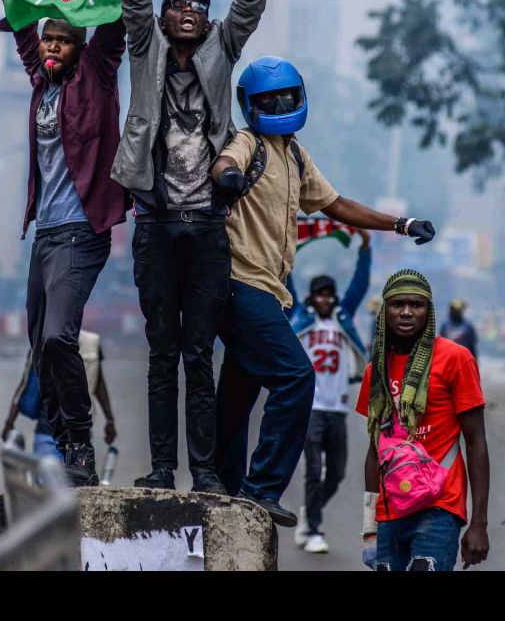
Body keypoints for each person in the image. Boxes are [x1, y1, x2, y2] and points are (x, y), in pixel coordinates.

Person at [210, 55, 437, 526]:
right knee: (296, 377)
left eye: (286, 97)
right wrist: (227, 176)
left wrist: (400, 223)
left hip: (268, 291)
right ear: (249, 105)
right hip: (240, 284)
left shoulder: (293, 154)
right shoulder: (249, 141)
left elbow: (335, 204)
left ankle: (224, 490)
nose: (278, 104)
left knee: (236, 397)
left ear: (299, 97)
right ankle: (261, 488)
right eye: (268, 99)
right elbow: (225, 160)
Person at [112, 0, 266, 494]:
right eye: (176, 5)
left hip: (206, 222)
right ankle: (161, 468)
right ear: (165, 15)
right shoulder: (143, 46)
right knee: (160, 351)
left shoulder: (222, 48)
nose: (184, 12)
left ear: (206, 21)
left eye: (196, 8)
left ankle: (203, 472)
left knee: (198, 353)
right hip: (153, 218)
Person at [0, 0, 140, 486]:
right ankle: (58, 445)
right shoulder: (39, 82)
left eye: (61, 40)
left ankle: (76, 444)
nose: (50, 45)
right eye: (45, 40)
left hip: (83, 233)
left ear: (80, 45)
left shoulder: (98, 72)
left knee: (59, 335)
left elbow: (123, 9)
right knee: (40, 346)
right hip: (46, 236)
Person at [355, 270, 490, 571]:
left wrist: (479, 522)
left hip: (439, 505)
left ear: (428, 312)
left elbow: (476, 441)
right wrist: (369, 526)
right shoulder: (375, 370)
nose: (406, 312)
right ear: (384, 311)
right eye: (397, 304)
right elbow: (375, 449)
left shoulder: (456, 359)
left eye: (416, 305)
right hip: (390, 510)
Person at [290, 231, 371, 553]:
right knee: (313, 470)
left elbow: (359, 286)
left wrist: (364, 250)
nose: (325, 299)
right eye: (319, 295)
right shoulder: (298, 316)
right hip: (309, 408)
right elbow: (286, 284)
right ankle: (314, 531)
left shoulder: (342, 318)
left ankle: (310, 513)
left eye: (329, 294)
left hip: (337, 407)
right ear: (311, 298)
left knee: (336, 473)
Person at [2, 330, 118, 458]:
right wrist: (109, 420)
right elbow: (99, 384)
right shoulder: (89, 343)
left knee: (51, 476)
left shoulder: (42, 340)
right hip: (62, 435)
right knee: (75, 477)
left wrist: (9, 423)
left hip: (57, 436)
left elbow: (25, 385)